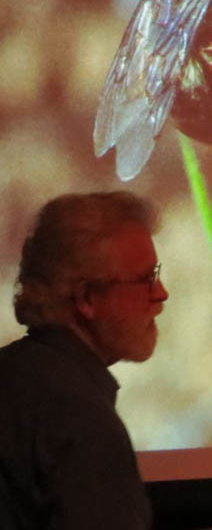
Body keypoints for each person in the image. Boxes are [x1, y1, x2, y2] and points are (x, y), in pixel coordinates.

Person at [0, 190, 168, 530]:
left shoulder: (13, 376)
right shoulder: (82, 423)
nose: (161, 293)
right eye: (145, 279)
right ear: (87, 298)